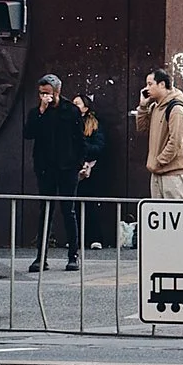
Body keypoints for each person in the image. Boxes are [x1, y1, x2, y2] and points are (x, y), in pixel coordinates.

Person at [26, 75, 84, 271]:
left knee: (69, 210)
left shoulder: (71, 111)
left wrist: (79, 163)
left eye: (48, 93)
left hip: (67, 167)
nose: (45, 97)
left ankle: (73, 255)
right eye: (41, 93)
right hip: (45, 168)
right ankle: (41, 257)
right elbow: (28, 133)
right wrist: (41, 111)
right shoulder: (37, 112)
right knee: (45, 210)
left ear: (57, 92)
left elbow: (79, 139)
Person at [140, 67, 183, 200]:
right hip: (157, 172)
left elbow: (176, 141)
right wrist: (143, 107)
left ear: (162, 84)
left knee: (175, 211)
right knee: (158, 212)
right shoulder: (155, 107)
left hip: (174, 173)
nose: (146, 89)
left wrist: (159, 161)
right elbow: (142, 128)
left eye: (150, 84)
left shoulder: (176, 109)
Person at [69, 92, 110, 254]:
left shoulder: (94, 125)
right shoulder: (68, 123)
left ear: (85, 108)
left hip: (91, 169)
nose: (74, 106)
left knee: (90, 205)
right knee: (73, 206)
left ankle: (95, 238)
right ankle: (75, 239)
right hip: (72, 168)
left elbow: (99, 146)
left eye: (77, 104)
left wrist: (83, 149)